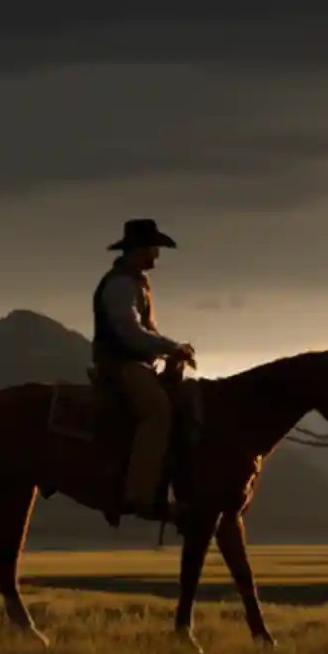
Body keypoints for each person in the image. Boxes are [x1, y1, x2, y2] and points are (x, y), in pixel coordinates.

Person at [92, 218, 195, 526]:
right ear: (139, 249)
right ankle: (140, 495)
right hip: (121, 364)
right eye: (154, 248)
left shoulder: (133, 281)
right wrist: (172, 348)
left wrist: (167, 351)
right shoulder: (121, 283)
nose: (157, 255)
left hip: (135, 362)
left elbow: (140, 332)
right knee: (157, 411)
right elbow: (129, 330)